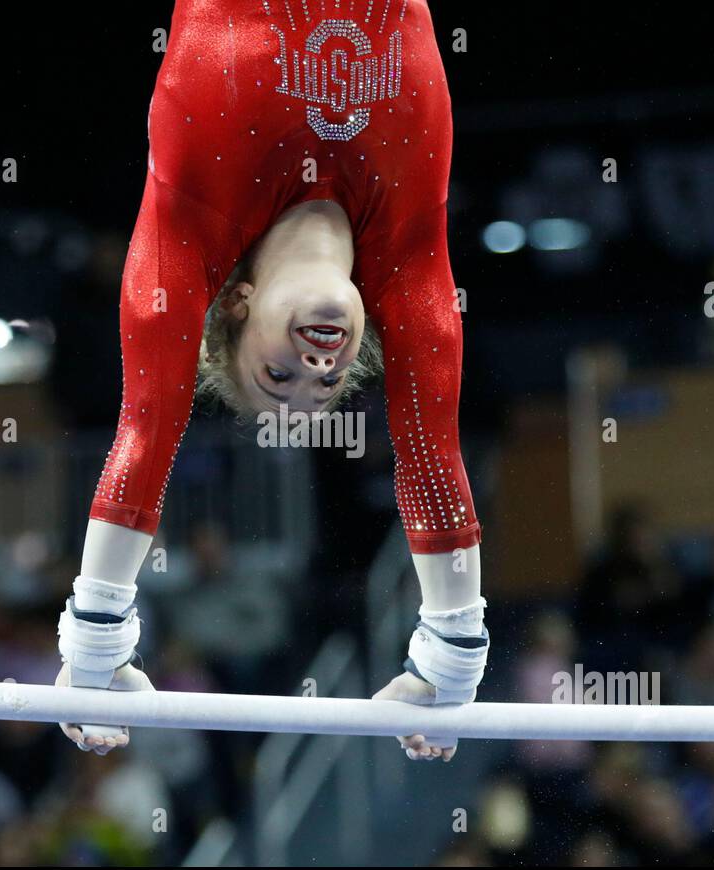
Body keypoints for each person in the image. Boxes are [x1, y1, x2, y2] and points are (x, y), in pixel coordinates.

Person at [55, 0, 486, 762]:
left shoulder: (187, 233)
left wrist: (95, 647)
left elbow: (147, 425)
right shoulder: (409, 269)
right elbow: (431, 449)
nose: (315, 367)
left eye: (276, 373)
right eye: (326, 383)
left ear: (237, 306)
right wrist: (450, 664)